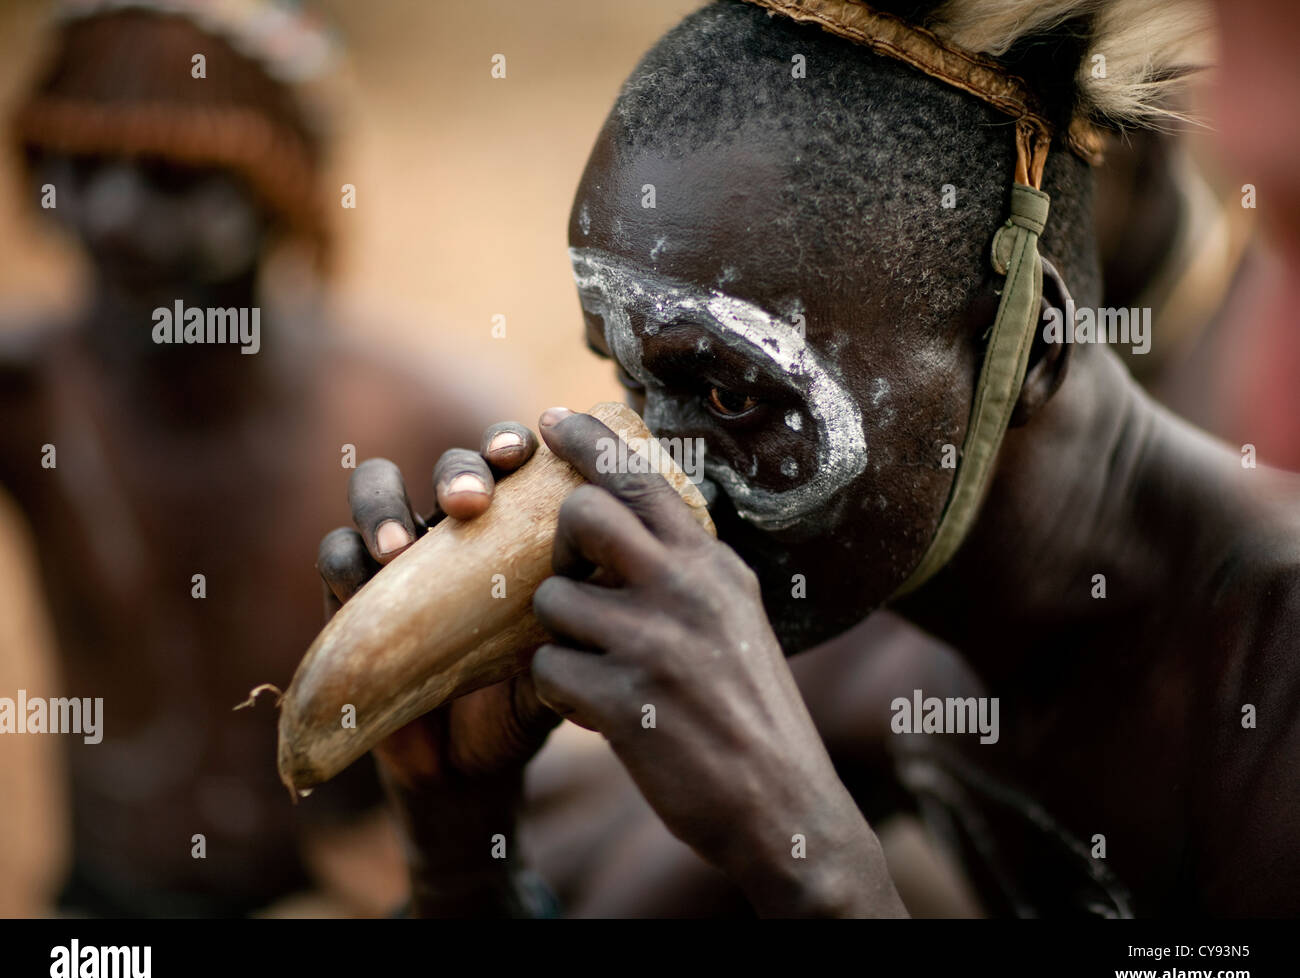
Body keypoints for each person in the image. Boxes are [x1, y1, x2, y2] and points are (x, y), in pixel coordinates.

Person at [319, 0, 1300, 916]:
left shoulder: (1270, 681)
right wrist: (460, 839)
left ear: (1031, 342)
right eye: (625, 381)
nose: (653, 470)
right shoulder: (868, 640)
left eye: (732, 395)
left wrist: (824, 869)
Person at [0, 1, 489, 915]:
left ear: (284, 188)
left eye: (174, 176)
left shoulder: (417, 415)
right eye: (80, 164)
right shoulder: (27, 397)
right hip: (100, 919)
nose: (109, 213)